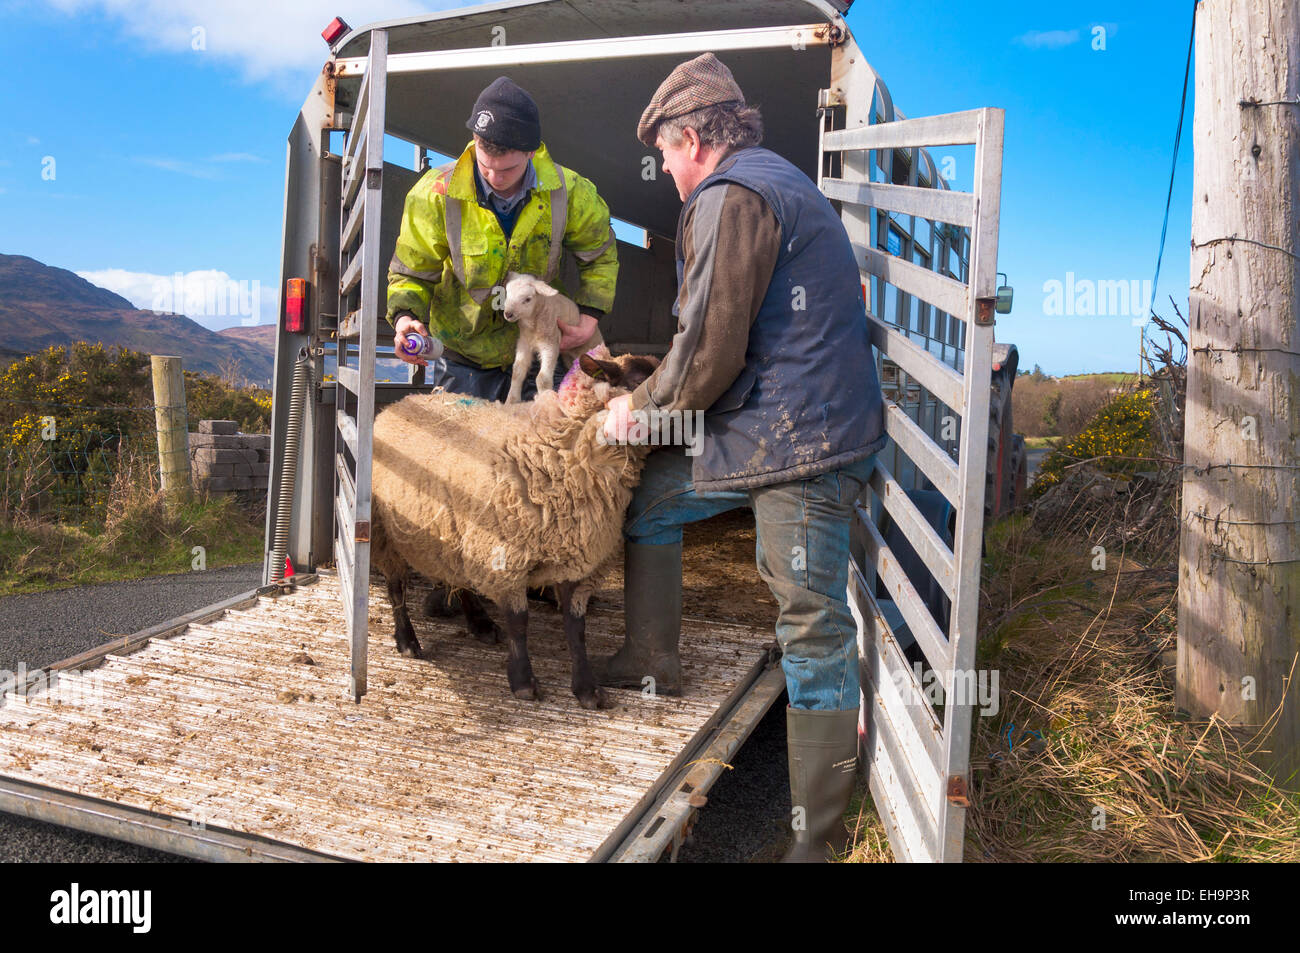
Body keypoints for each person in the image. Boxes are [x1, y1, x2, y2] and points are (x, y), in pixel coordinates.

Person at [597, 53, 887, 862]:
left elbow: (707, 349)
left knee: (810, 620)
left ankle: (818, 839)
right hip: (774, 419)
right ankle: (652, 653)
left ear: (695, 137)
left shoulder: (731, 196)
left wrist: (639, 412)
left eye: (666, 156)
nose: (667, 175)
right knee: (654, 497)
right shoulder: (776, 181)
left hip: (801, 442)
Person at [386, 76, 618, 400]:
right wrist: (405, 318)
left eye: (507, 169)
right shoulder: (435, 194)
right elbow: (411, 271)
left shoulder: (571, 192)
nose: (494, 178)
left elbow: (600, 255)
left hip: (538, 352)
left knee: (544, 447)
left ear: (532, 152)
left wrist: (590, 316)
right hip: (463, 357)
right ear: (474, 140)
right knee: (466, 449)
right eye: (485, 166)